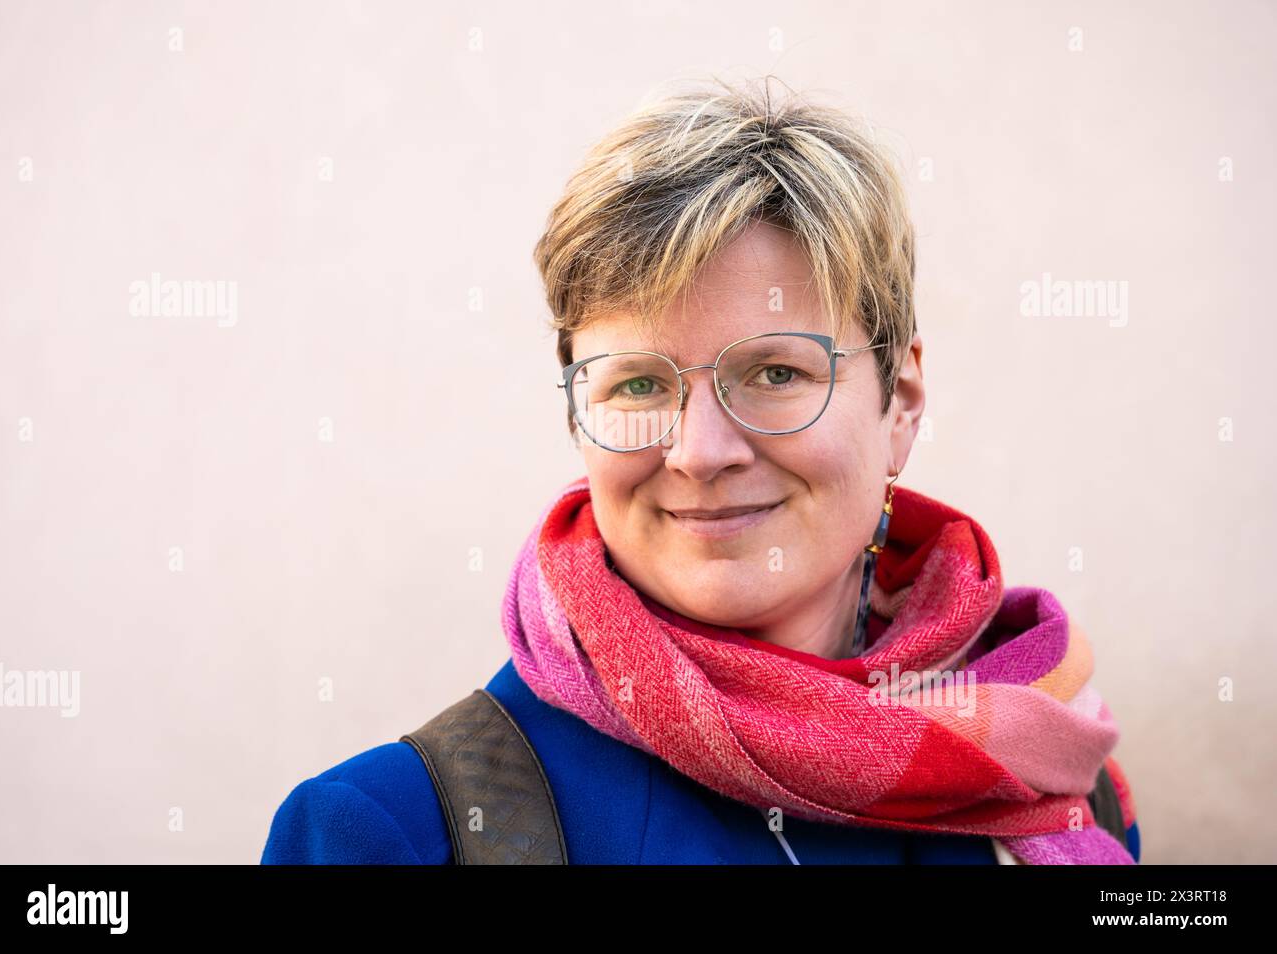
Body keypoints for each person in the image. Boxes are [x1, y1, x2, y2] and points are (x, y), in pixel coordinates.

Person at [261, 75, 1140, 865]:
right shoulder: (394, 834)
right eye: (639, 383)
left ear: (901, 402)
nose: (700, 453)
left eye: (774, 374)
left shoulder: (1051, 780)